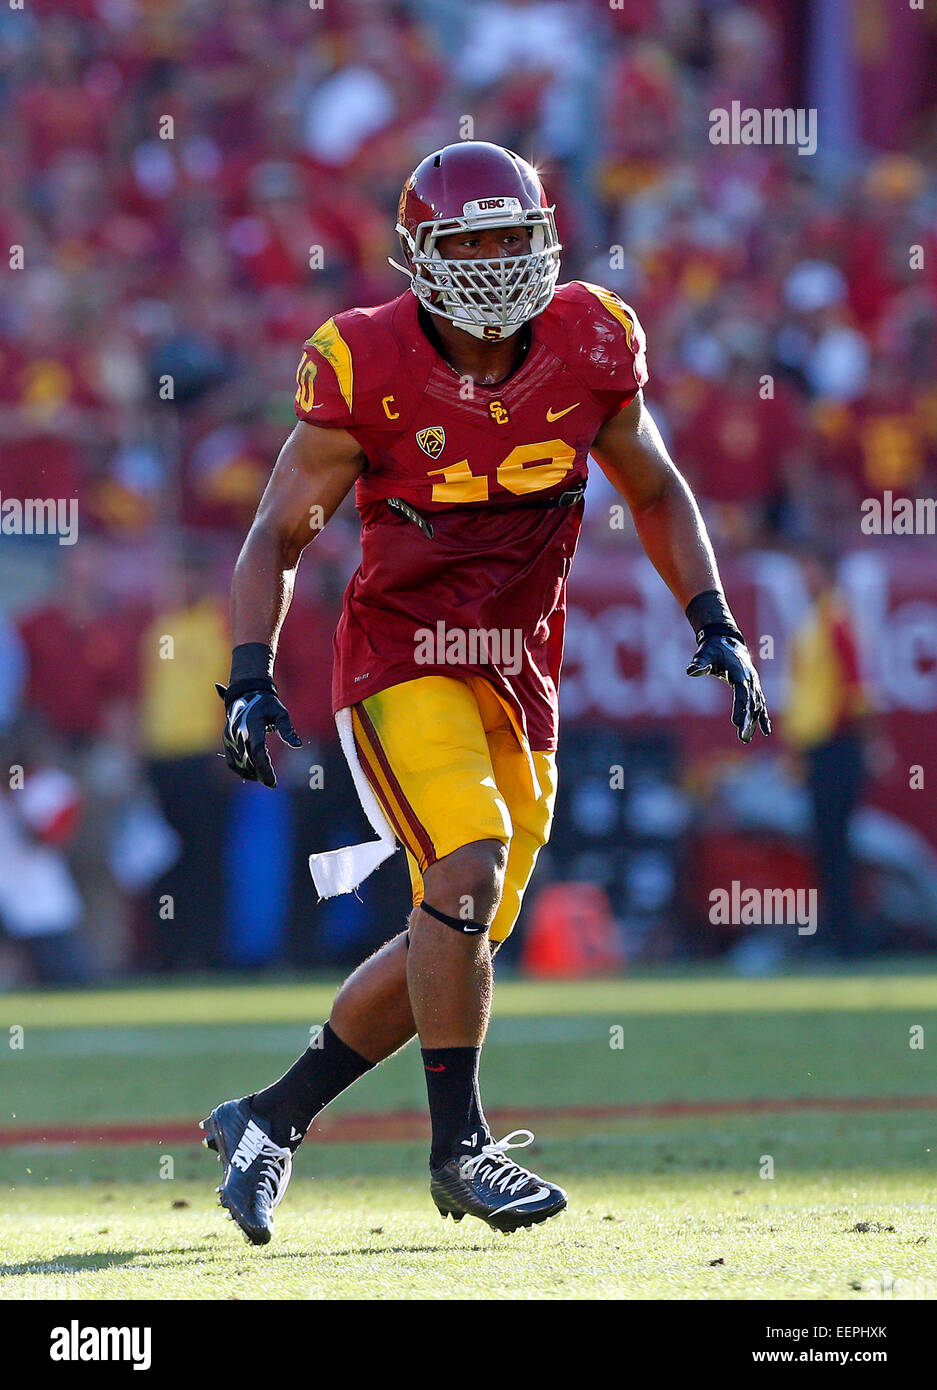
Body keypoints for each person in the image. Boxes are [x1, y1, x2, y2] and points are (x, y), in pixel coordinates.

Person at [201, 142, 770, 1245]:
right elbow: (278, 531)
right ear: (421, 254)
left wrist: (715, 618)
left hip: (518, 668)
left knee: (462, 927)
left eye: (518, 236)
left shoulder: (590, 339)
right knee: (467, 862)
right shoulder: (363, 360)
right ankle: (459, 1148)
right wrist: (251, 673)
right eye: (475, 242)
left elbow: (655, 488)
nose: (503, 262)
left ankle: (269, 1119)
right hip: (400, 656)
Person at [784, 549, 870, 956]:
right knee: (828, 844)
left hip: (836, 746)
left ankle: (845, 936)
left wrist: (868, 739)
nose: (805, 577)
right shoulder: (819, 619)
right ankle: (839, 932)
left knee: (835, 844)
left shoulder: (834, 619)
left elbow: (855, 686)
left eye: (810, 567)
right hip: (820, 747)